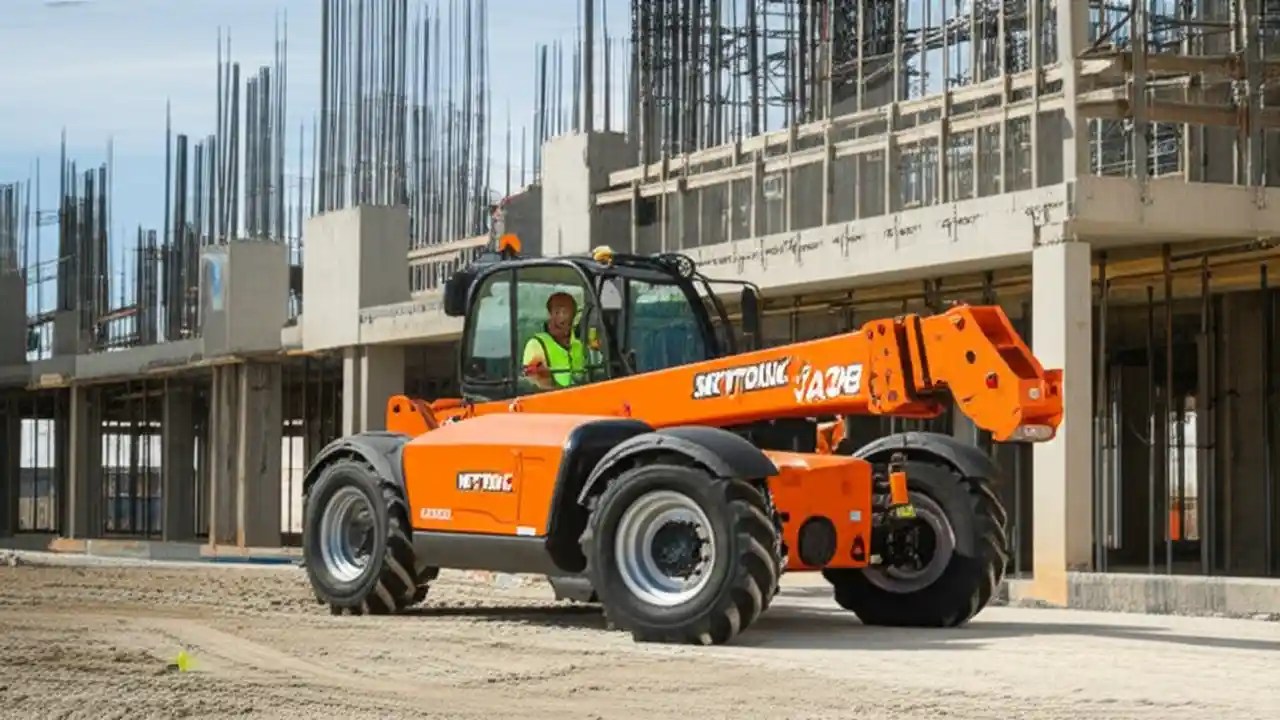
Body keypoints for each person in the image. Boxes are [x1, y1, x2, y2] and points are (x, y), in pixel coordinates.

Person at [522, 291, 586, 389]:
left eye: (565, 312)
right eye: (557, 312)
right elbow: (532, 385)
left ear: (573, 317)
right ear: (549, 314)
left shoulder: (580, 345)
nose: (561, 317)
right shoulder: (536, 344)